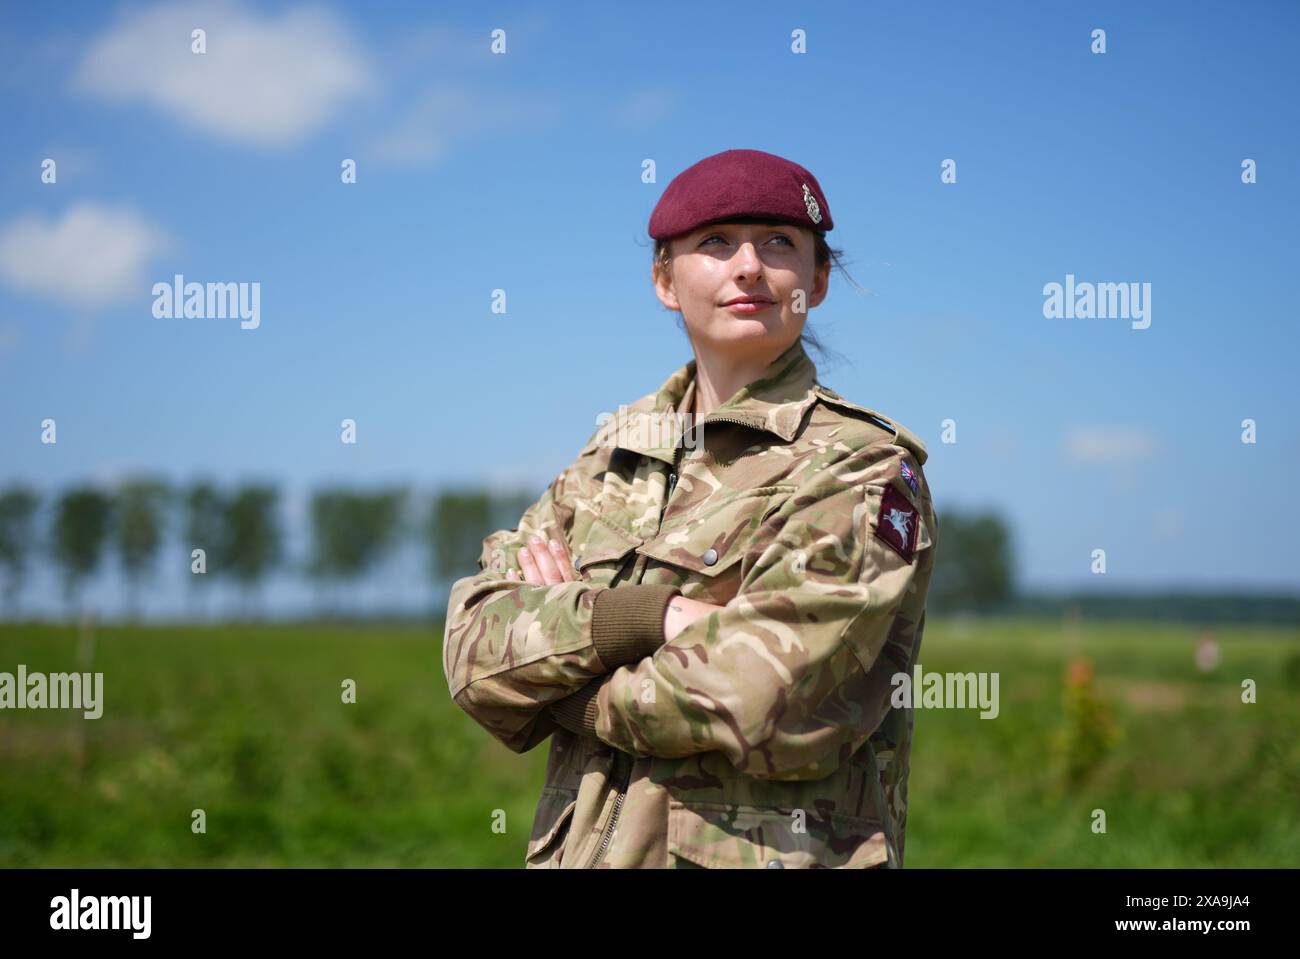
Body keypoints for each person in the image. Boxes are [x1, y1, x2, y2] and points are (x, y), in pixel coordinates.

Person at [442, 148, 939, 868]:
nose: (748, 267)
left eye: (778, 243)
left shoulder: (859, 465)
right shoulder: (613, 455)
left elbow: (766, 695)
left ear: (818, 280)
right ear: (664, 280)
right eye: (714, 243)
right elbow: (471, 649)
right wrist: (651, 617)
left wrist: (560, 690)